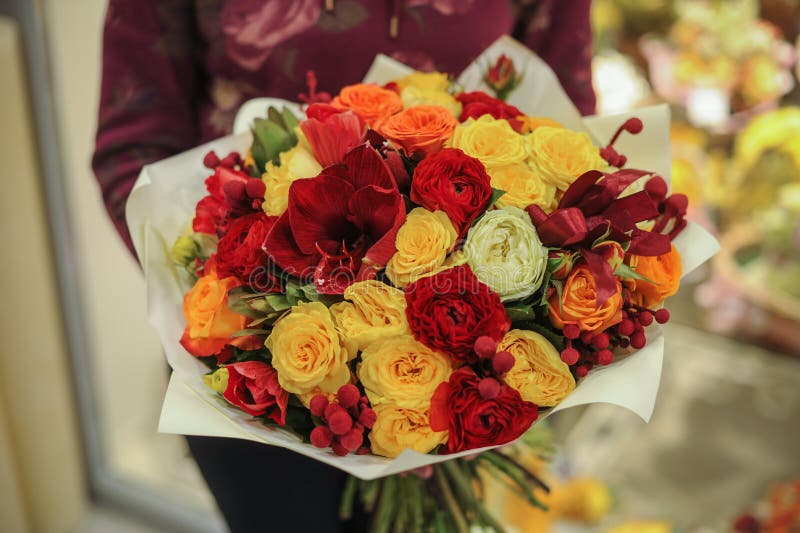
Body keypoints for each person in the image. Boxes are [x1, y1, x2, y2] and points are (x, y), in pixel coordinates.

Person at [92, 1, 595, 531]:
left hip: (482, 381)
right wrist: (235, 311)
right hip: (253, 371)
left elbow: (567, 127)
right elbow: (132, 152)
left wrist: (471, 381)